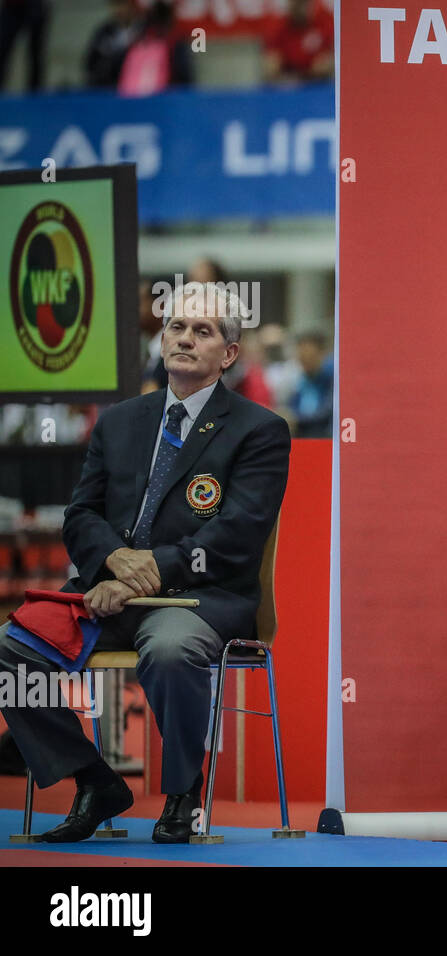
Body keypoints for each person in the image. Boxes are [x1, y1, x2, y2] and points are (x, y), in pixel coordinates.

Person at [0, 282, 291, 843]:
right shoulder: (120, 421)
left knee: (170, 649)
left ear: (228, 354)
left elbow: (237, 534)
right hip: (106, 591)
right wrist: (111, 561)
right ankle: (94, 779)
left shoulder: (259, 430)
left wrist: (146, 572)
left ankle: (183, 791)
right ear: (161, 339)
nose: (185, 339)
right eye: (177, 327)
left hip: (198, 598)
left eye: (203, 331)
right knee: (9, 649)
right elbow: (80, 514)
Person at [287, 330, 333, 438]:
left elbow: (326, 412)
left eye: (309, 356)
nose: (305, 361)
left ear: (322, 354)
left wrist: (296, 419)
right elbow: (292, 406)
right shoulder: (302, 381)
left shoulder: (332, 380)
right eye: (301, 358)